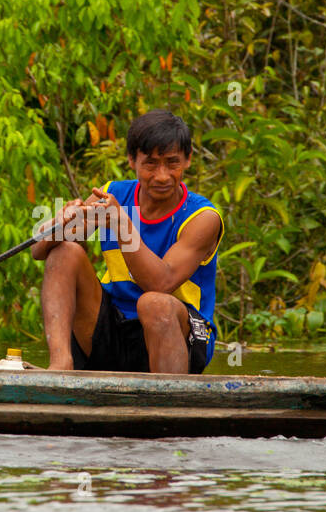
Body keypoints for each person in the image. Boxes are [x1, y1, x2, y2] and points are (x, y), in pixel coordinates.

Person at [33, 108, 223, 373]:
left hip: (177, 334)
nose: (162, 176)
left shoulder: (202, 217)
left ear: (188, 160)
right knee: (64, 251)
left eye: (172, 163)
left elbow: (160, 283)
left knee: (154, 303)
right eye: (150, 164)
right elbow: (38, 250)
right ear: (132, 160)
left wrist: (121, 224)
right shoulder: (114, 193)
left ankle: (170, 399)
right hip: (115, 331)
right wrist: (62, 222)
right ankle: (61, 366)